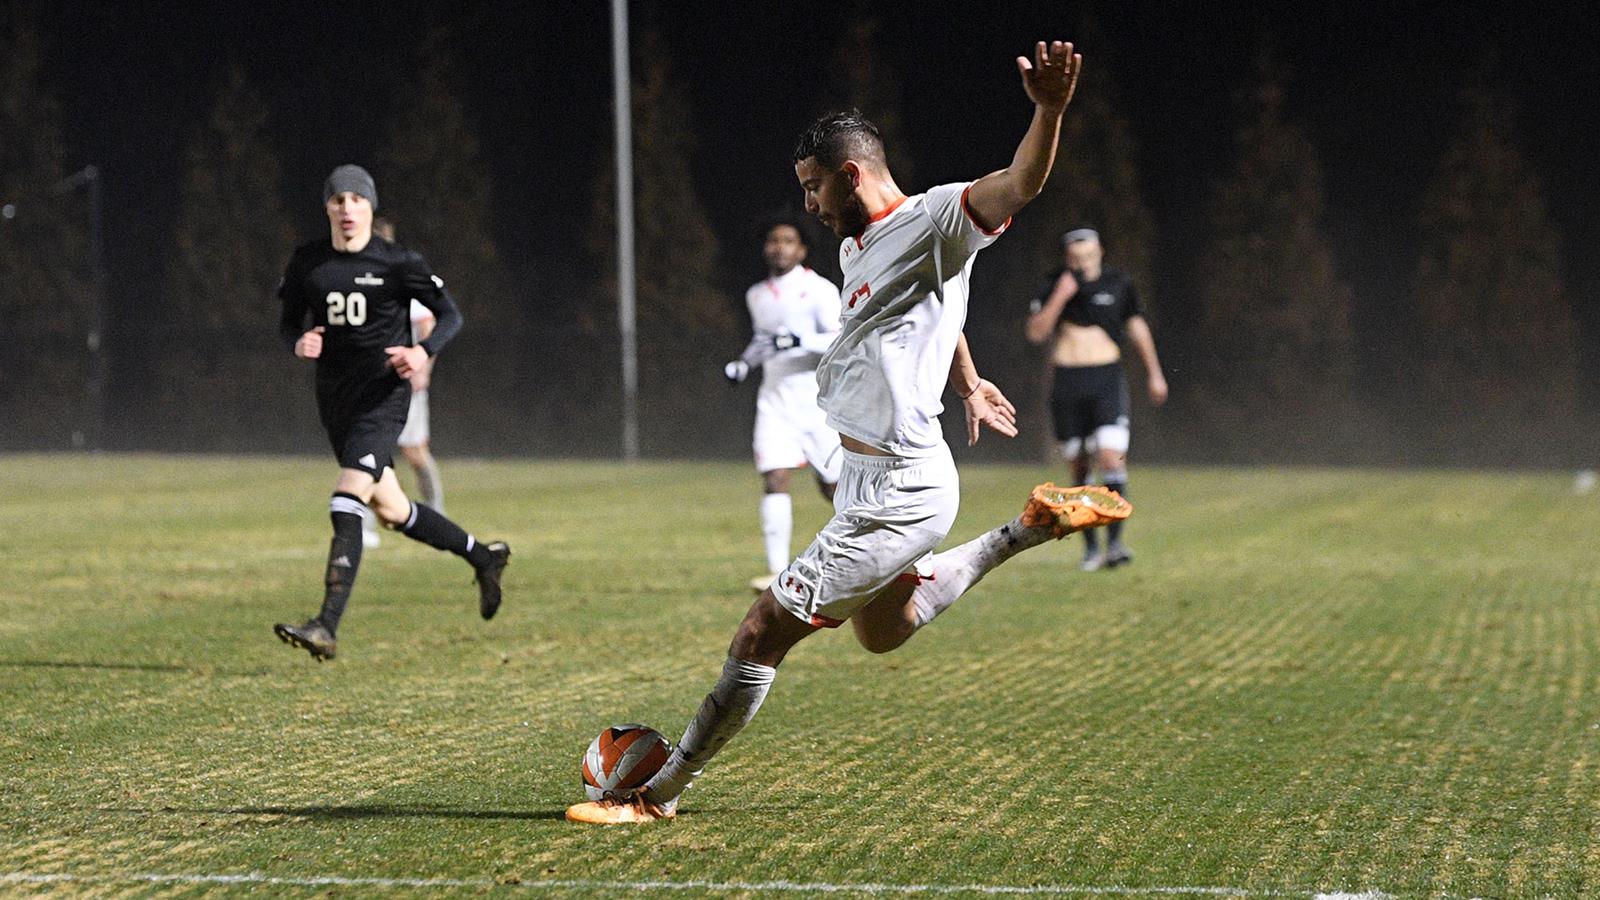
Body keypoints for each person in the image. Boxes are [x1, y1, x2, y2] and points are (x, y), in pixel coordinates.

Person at [567, 40, 1124, 824]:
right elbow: (933, 308)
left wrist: (1050, 111)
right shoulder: (856, 246)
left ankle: (657, 796)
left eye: (812, 186)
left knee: (762, 630)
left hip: (900, 486)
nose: (807, 205)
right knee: (884, 631)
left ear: (851, 174)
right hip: (867, 479)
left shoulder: (935, 216)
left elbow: (1019, 183)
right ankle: (1025, 529)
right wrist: (967, 379)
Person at [272, 165, 510, 661]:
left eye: (357, 200)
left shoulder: (398, 263)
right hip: (335, 401)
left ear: (370, 207)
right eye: (338, 200)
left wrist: (423, 351)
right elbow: (288, 322)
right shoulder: (308, 263)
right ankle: (483, 557)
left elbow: (451, 315)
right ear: (327, 208)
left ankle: (326, 625)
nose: (347, 209)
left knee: (346, 500)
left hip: (383, 400)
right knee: (394, 510)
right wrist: (299, 340)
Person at [1025, 228, 1167, 570]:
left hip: (1106, 379)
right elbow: (1036, 333)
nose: (1083, 263)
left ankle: (1115, 544)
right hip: (1067, 382)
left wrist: (1155, 373)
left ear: (1100, 252)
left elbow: (1137, 328)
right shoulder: (1053, 284)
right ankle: (1090, 549)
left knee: (1110, 457)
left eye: (1088, 256)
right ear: (1067, 258)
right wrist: (1061, 295)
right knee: (1079, 465)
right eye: (1076, 259)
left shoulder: (1118, 284)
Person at [723, 221, 843, 592]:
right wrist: (744, 364)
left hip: (817, 404)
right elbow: (764, 341)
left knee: (835, 488)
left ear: (802, 250)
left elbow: (840, 340)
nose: (780, 247)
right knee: (775, 478)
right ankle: (776, 573)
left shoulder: (820, 290)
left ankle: (874, 556)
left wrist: (799, 340)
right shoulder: (757, 295)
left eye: (788, 241)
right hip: (775, 402)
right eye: (773, 240)